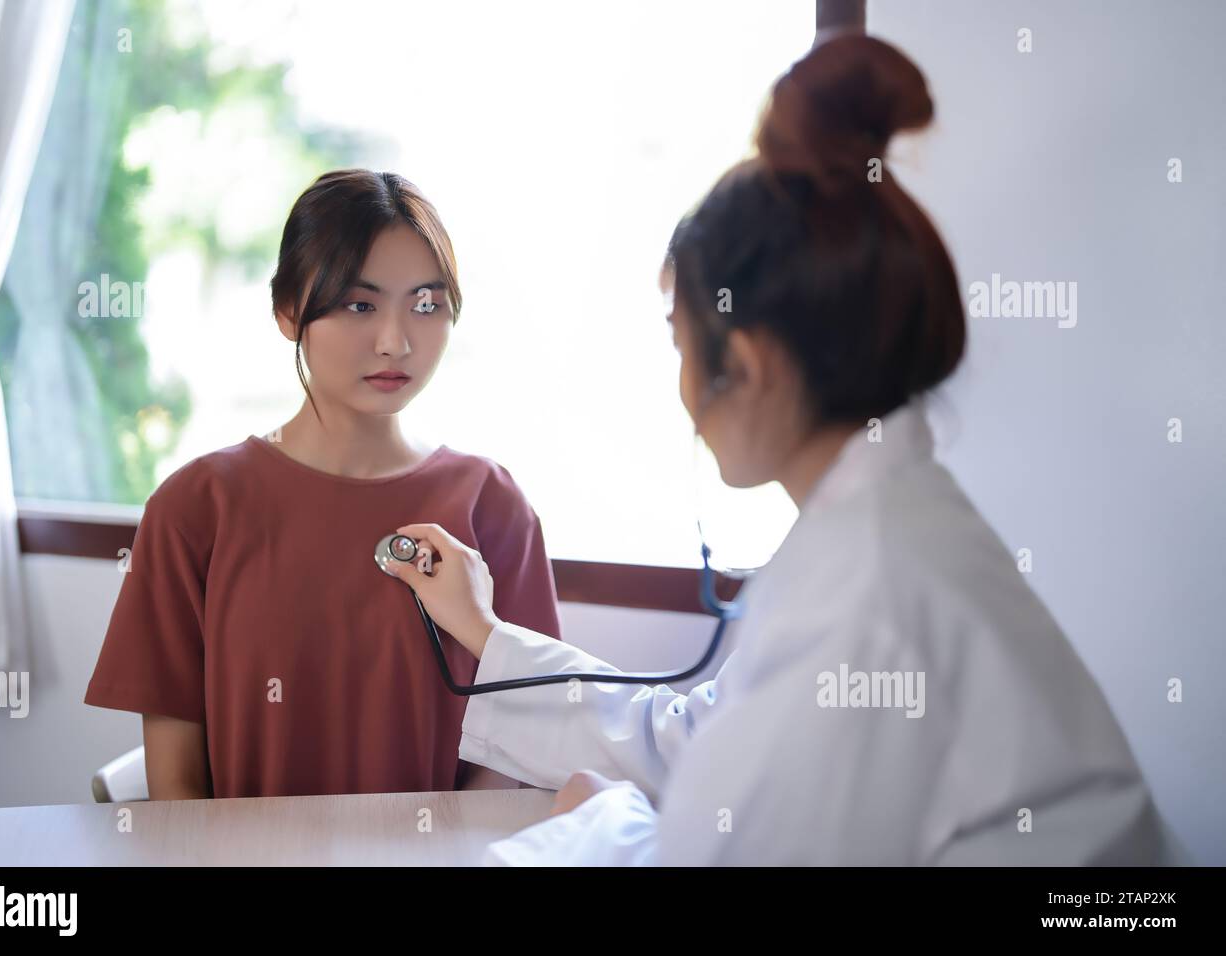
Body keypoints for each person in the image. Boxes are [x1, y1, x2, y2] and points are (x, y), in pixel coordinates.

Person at [386, 36, 1168, 864]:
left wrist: (603, 817)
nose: (684, 393)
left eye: (681, 345)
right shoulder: (884, 530)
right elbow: (695, 736)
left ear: (748, 366)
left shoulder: (867, 589)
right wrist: (487, 631)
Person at [84, 170, 561, 799]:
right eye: (359, 305)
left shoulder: (491, 506)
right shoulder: (195, 510)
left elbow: (522, 747)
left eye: (425, 305)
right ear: (287, 312)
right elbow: (174, 791)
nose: (396, 342)